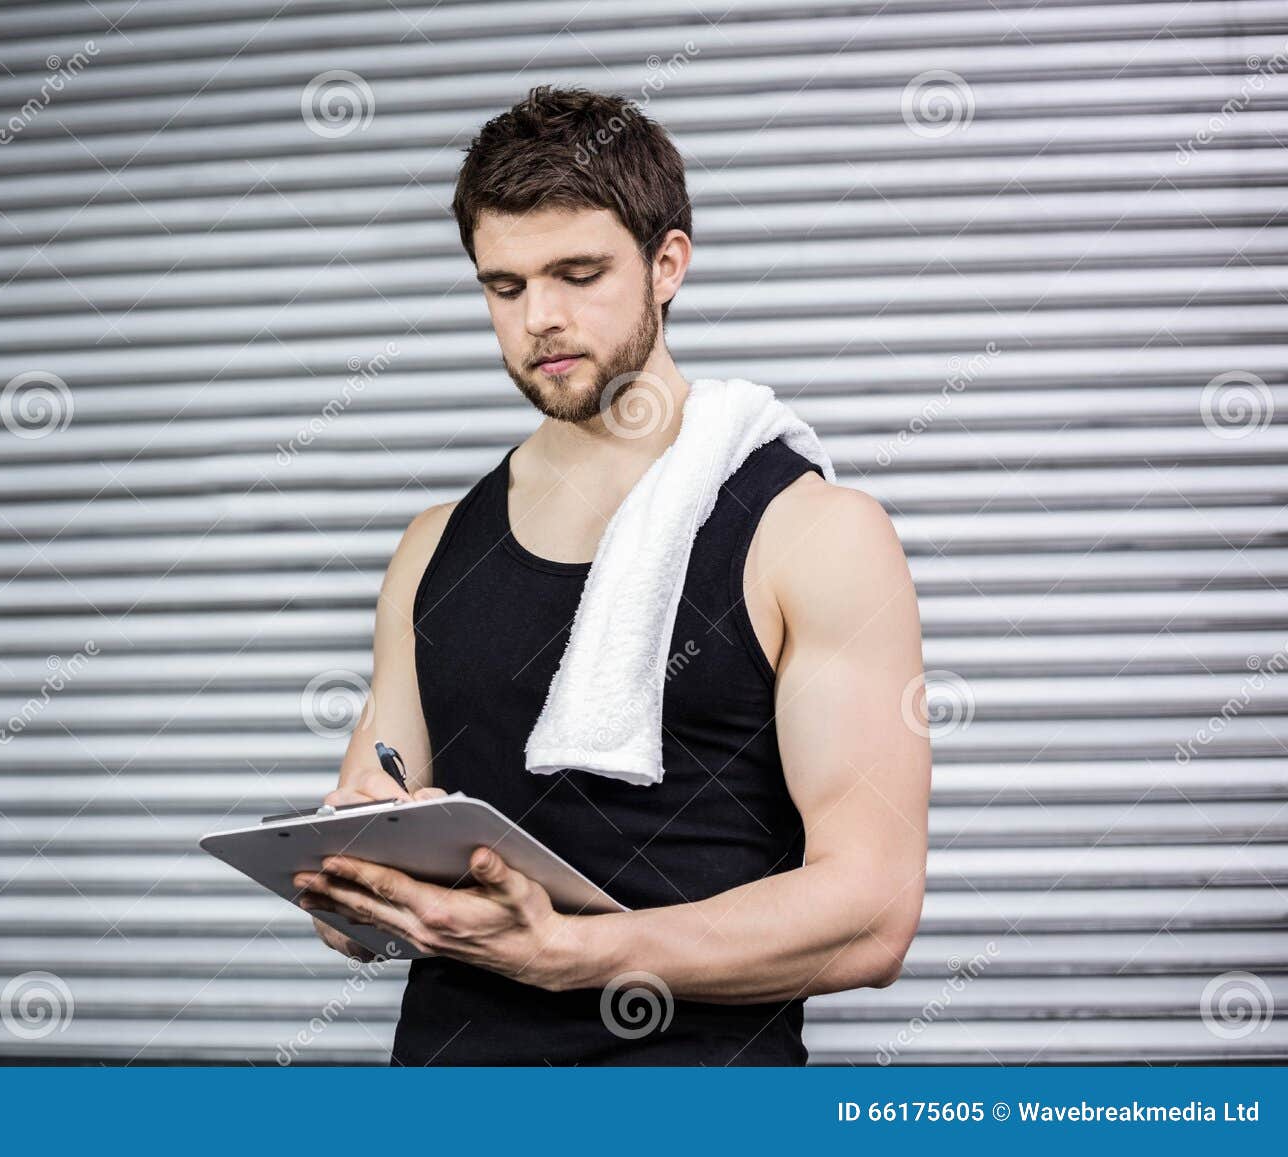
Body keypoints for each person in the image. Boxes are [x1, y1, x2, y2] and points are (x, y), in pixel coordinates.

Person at [293, 84, 931, 1066]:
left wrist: (575, 954)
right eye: (503, 286)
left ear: (666, 262)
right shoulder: (432, 547)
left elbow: (872, 912)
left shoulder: (812, 535)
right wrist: (350, 885)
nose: (539, 317)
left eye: (577, 272)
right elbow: (357, 899)